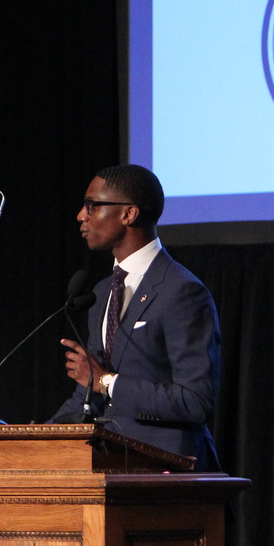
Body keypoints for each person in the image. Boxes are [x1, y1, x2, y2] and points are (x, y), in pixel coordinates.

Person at [51, 164, 221, 468]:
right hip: (111, 467)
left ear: (128, 214)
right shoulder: (104, 291)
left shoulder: (181, 291)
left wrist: (108, 382)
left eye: (92, 205)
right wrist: (23, 445)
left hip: (168, 473)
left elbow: (195, 401)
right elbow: (88, 395)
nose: (81, 215)